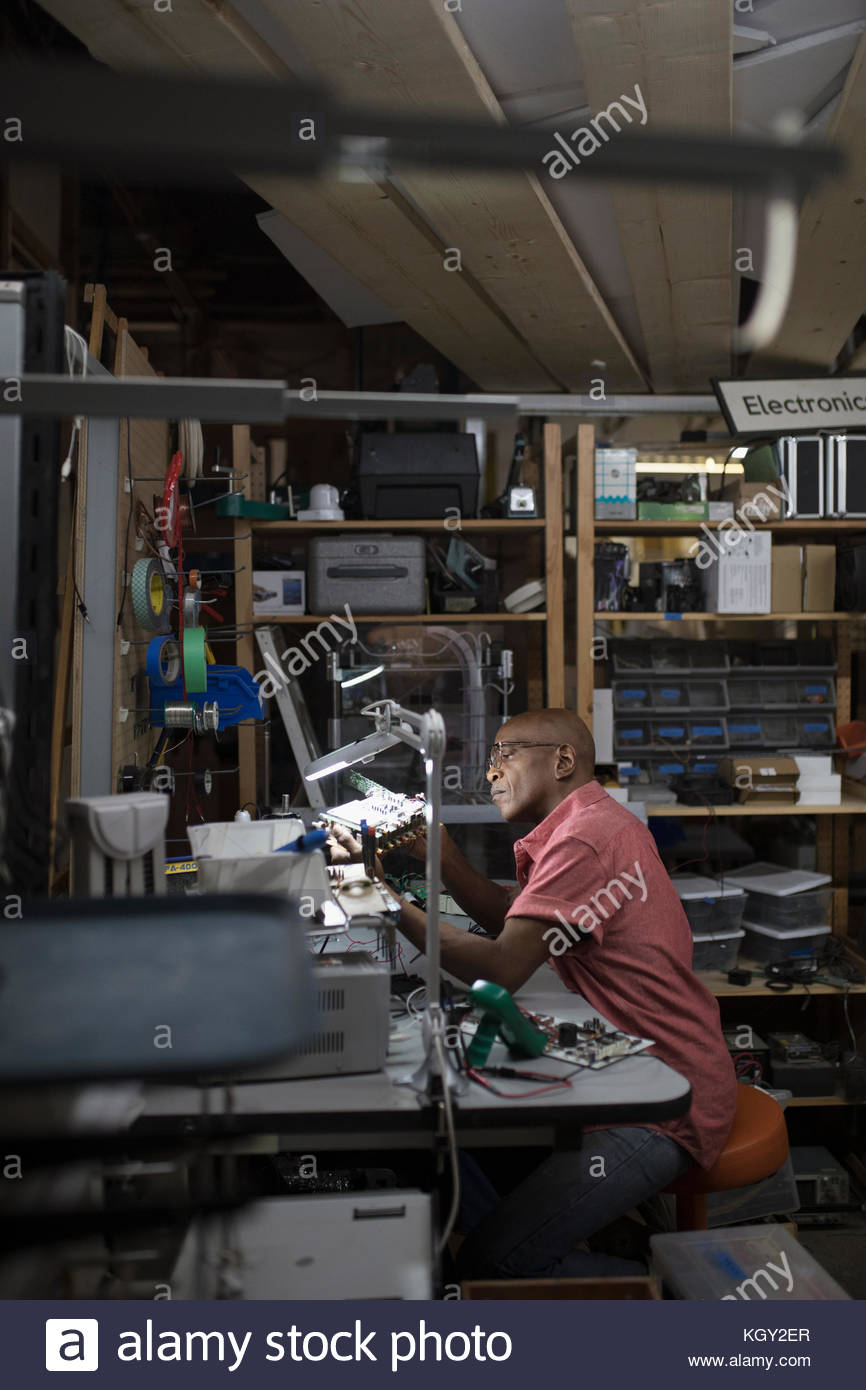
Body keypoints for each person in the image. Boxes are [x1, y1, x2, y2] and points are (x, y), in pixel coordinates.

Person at [330, 707, 738, 1279]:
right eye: (490, 759)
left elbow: (502, 966)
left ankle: (663, 1296)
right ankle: (595, 1237)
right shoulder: (588, 825)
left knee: (490, 1262)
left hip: (663, 1100)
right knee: (455, 1154)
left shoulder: (585, 841)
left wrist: (373, 893)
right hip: (627, 1072)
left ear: (563, 759)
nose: (490, 774)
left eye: (506, 754)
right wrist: (442, 857)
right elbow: (514, 922)